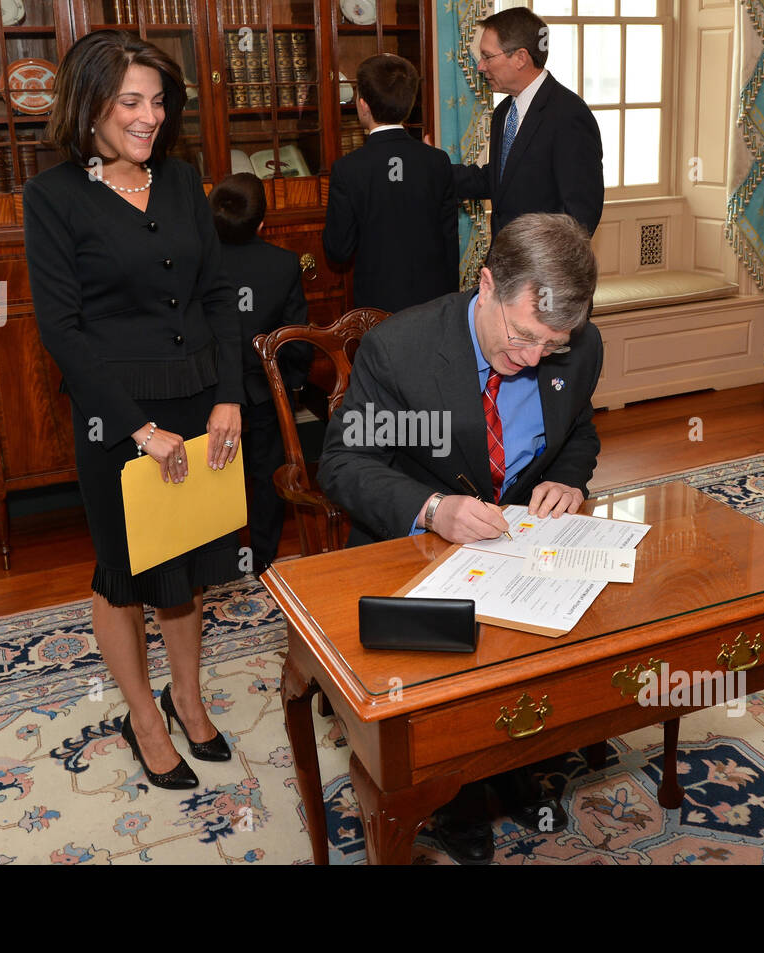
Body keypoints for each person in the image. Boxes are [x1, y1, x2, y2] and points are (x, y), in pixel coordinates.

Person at [317, 213, 601, 863]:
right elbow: (342, 463)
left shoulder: (576, 346)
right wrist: (433, 507)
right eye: (523, 335)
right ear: (487, 283)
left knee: (561, 640)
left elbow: (578, 431)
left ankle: (517, 760)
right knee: (451, 664)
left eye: (550, 346)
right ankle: (456, 792)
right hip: (417, 552)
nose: (533, 358)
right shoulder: (403, 348)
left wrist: (566, 477)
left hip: (523, 543)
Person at [23, 31, 241, 791]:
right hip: (115, 416)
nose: (150, 117)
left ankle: (187, 696)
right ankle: (143, 716)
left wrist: (228, 396)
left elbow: (218, 294)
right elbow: (63, 330)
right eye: (131, 103)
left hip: (196, 396)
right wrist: (137, 429)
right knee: (126, 570)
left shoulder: (181, 182)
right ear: (89, 108)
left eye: (157, 102)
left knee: (186, 562)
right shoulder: (53, 197)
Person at [208, 172, 312, 575]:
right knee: (267, 471)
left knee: (216, 467)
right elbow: (294, 336)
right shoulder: (283, 264)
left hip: (212, 387)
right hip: (265, 387)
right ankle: (263, 558)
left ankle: (220, 558)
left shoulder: (196, 265)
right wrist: (294, 383)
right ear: (263, 223)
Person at [450, 7, 603, 240]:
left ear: (520, 58)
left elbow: (580, 216)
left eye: (488, 56)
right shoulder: (504, 111)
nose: (480, 66)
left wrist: (539, 271)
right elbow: (499, 178)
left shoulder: (569, 115)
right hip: (506, 262)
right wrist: (430, 168)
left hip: (541, 270)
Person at [323, 53, 459, 312]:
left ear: (363, 105)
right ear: (409, 104)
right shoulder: (437, 161)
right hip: (434, 304)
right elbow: (449, 243)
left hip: (377, 308)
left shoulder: (348, 169)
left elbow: (338, 251)